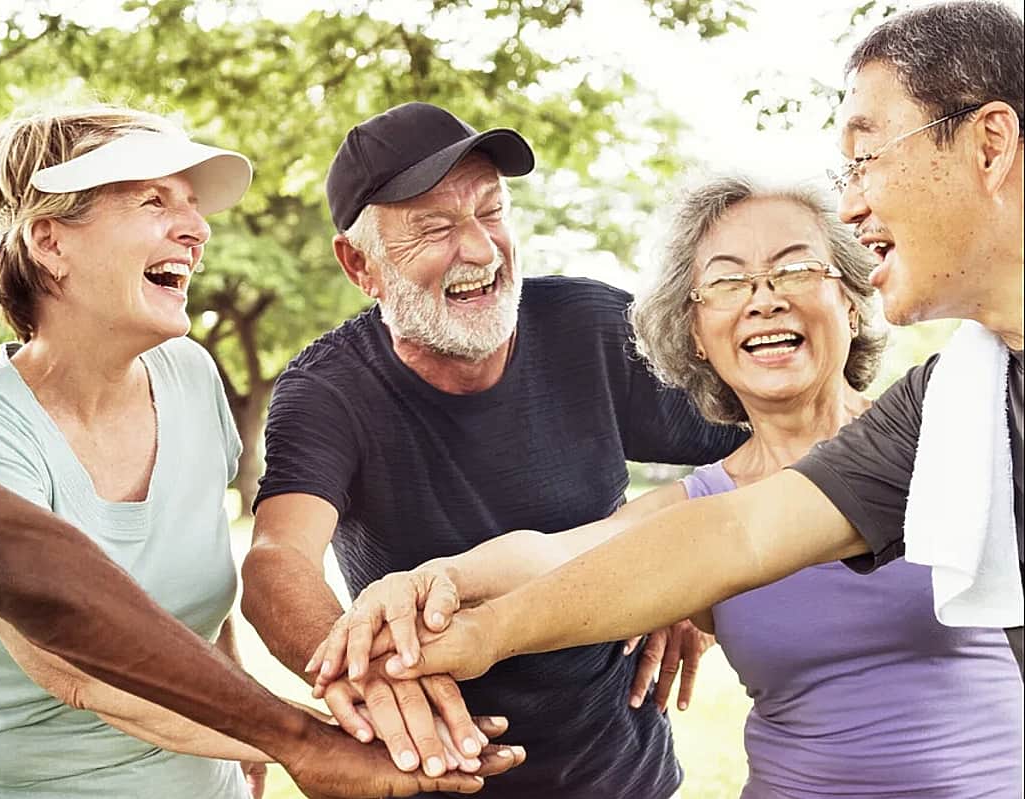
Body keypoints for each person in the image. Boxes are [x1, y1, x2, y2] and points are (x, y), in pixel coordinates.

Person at [0, 3, 517, 795]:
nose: (197, 228)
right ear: (49, 242)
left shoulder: (191, 379)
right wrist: (309, 738)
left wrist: (246, 757)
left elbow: (201, 609)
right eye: (155, 201)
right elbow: (82, 674)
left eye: (191, 204)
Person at [316, 0, 1025, 691]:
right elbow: (729, 536)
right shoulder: (951, 407)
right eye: (727, 282)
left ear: (990, 145)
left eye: (867, 157)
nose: (851, 204)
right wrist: (475, 619)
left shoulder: (951, 420)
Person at [310, 175, 1023, 796]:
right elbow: (563, 554)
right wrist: (431, 579)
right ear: (696, 330)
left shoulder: (952, 430)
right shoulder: (702, 508)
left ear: (851, 295)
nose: (764, 299)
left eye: (795, 268)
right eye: (726, 282)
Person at [242, 101, 746, 799]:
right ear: (360, 264)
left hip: (623, 777)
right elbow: (277, 560)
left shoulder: (594, 328)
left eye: (490, 211)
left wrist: (693, 574)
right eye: (435, 227)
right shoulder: (329, 390)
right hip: (441, 777)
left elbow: (786, 434)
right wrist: (367, 676)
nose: (479, 249)